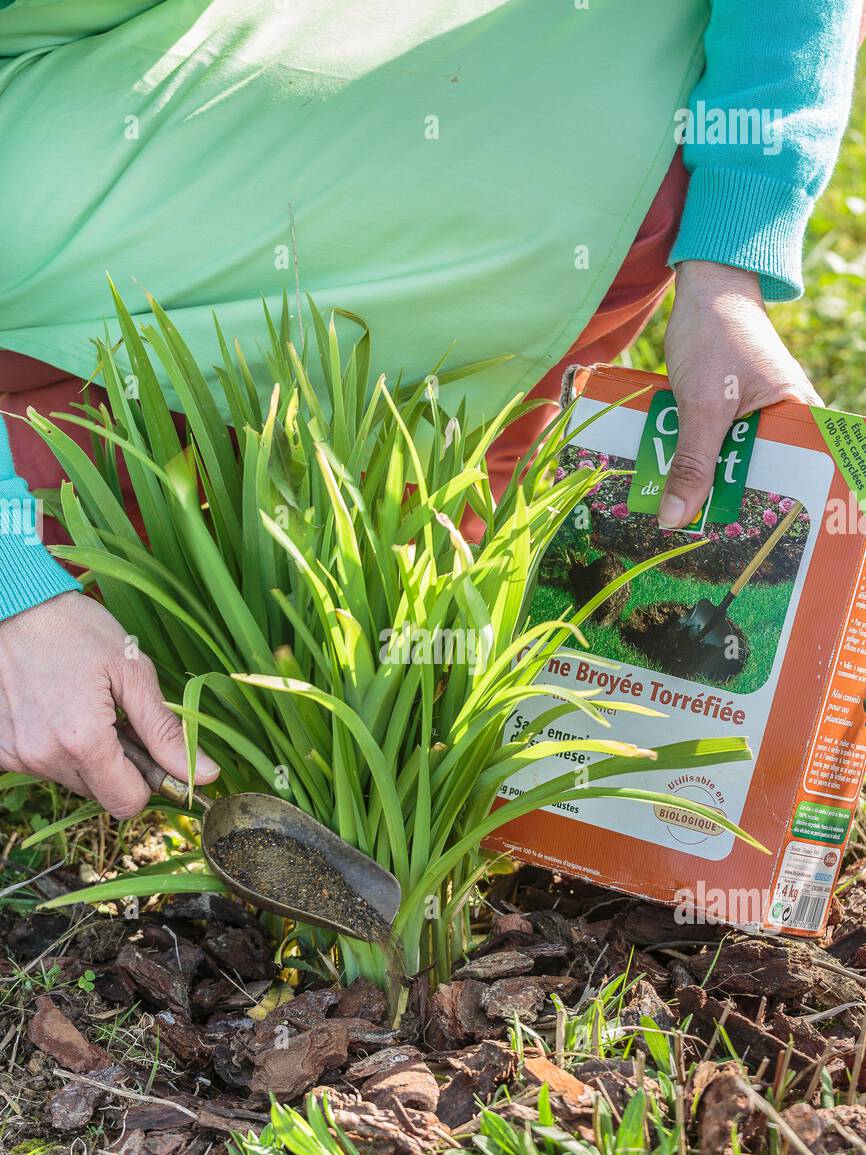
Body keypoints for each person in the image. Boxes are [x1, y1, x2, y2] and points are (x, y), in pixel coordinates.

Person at [0, 0, 862, 817]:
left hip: (533, 221)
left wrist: (727, 266)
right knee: (173, 659)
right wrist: (16, 586)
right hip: (549, 218)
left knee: (366, 661)